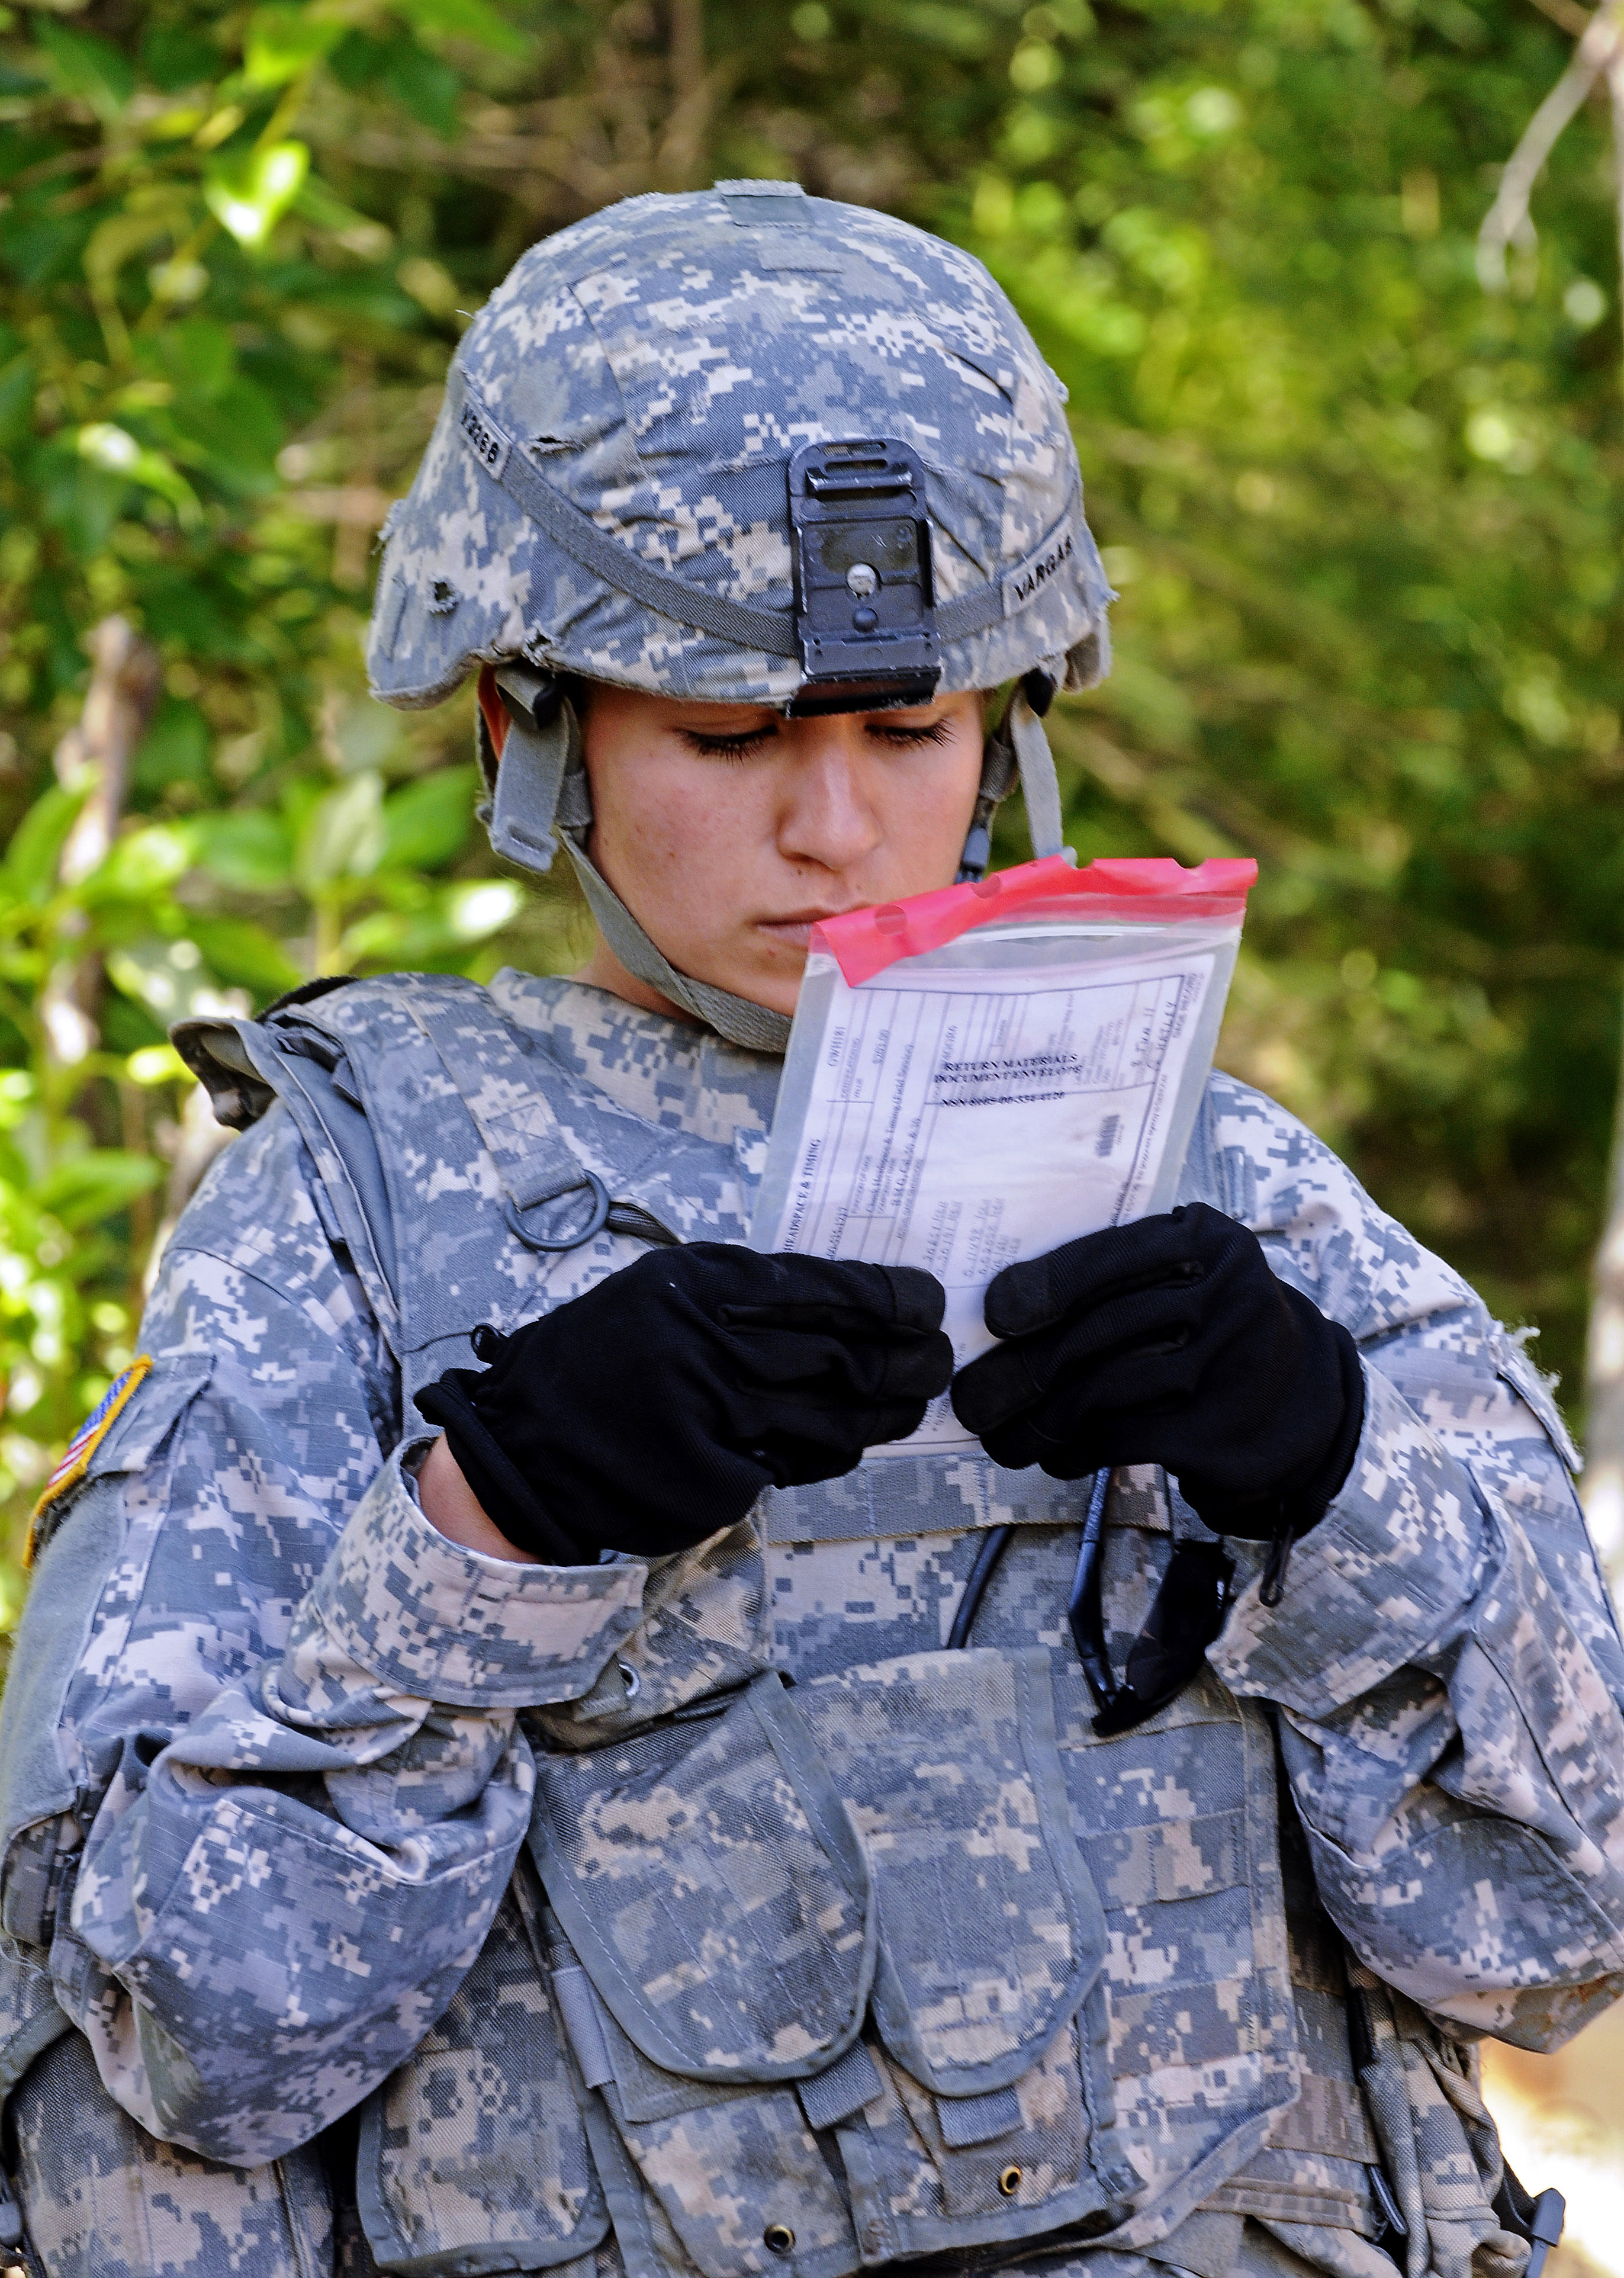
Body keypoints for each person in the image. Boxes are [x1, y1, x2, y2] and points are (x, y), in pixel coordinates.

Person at [0, 181, 1616, 2278]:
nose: (833, 825)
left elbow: (1560, 1933)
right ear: (528, 732)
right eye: (731, 737)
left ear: (1009, 732)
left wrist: (1332, 1481)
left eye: (908, 729)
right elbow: (182, 2053)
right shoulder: (348, 1216)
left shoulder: (1228, 1182)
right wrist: (487, 1534)